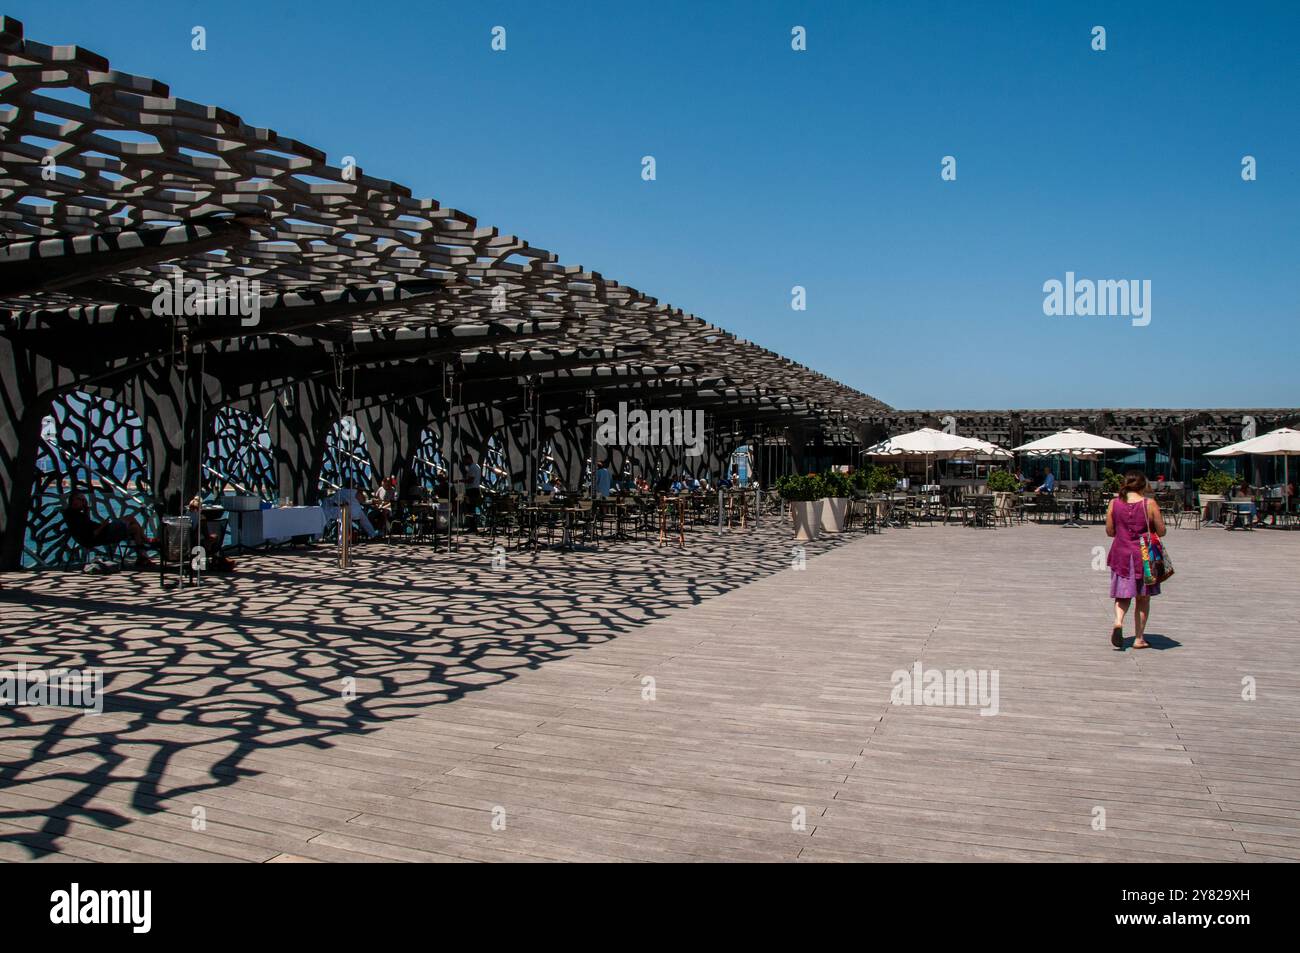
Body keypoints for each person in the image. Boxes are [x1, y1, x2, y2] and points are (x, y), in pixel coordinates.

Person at [1106, 471, 1166, 650]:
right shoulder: (1150, 504)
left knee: (1122, 595)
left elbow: (1110, 531)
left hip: (1121, 554)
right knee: (1143, 598)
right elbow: (1161, 531)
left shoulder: (1114, 503)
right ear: (1143, 486)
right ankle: (1139, 638)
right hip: (1144, 555)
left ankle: (1118, 621)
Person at [62, 490, 154, 568]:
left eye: (83, 500)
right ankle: (146, 541)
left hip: (103, 533)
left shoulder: (76, 514)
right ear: (73, 501)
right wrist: (103, 525)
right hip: (103, 534)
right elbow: (91, 534)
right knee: (130, 518)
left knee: (134, 528)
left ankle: (142, 557)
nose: (83, 501)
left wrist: (86, 510)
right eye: (81, 499)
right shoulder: (74, 517)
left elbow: (87, 525)